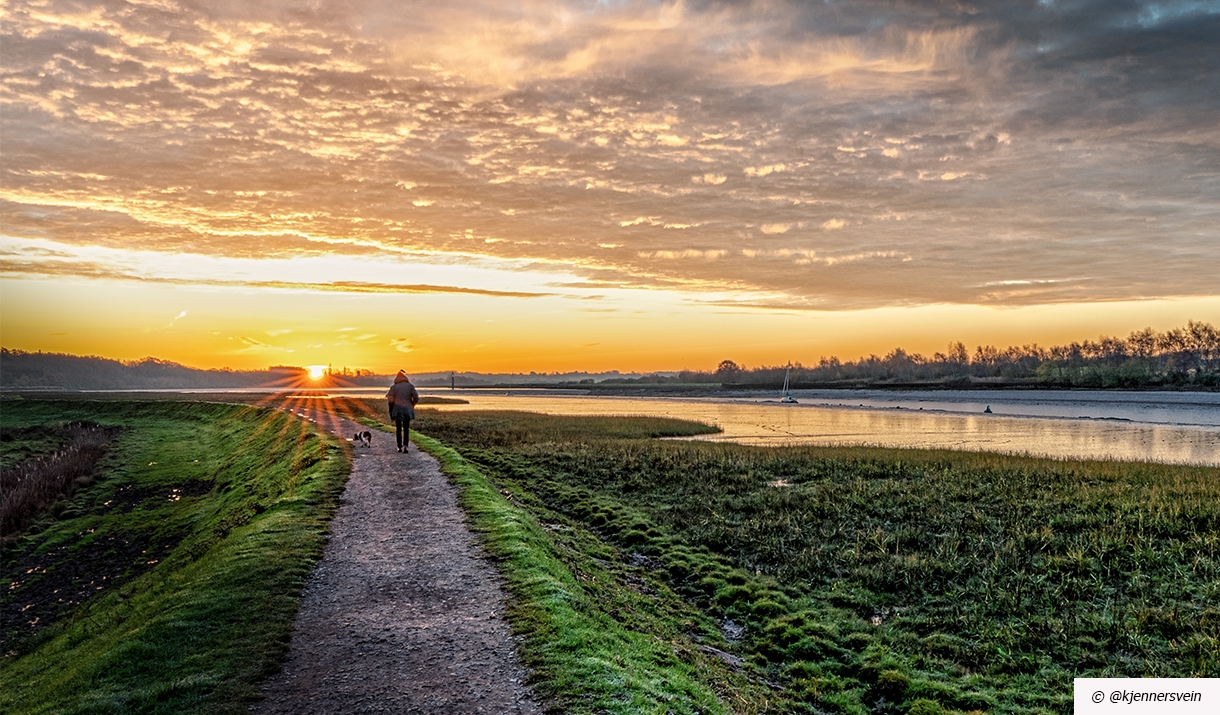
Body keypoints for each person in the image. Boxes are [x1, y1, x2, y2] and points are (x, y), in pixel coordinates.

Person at [386, 370, 420, 452]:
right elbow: (416, 398)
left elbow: (390, 400)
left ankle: (399, 446)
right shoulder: (410, 386)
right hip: (407, 410)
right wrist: (411, 405)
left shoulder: (393, 387)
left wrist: (391, 409)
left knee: (398, 428)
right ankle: (406, 446)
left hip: (397, 410)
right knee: (406, 428)